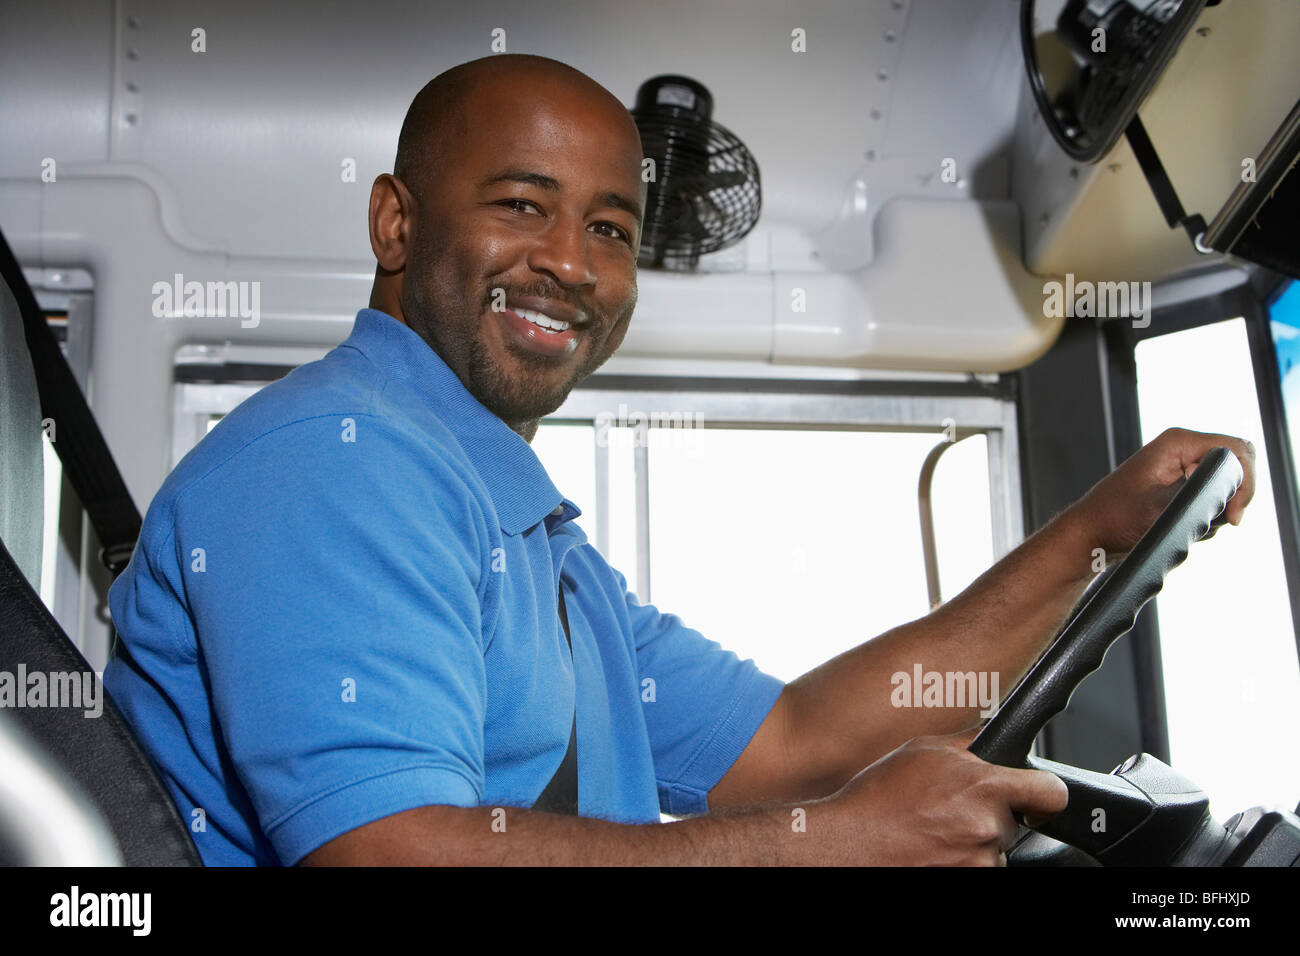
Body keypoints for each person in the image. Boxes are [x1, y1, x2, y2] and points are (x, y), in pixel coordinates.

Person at [104, 53, 1256, 866]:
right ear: (396, 225)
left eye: (608, 227)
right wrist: (836, 843)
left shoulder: (523, 534)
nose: (571, 263)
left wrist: (1095, 532)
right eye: (522, 204)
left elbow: (799, 742)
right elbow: (388, 852)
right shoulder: (336, 464)